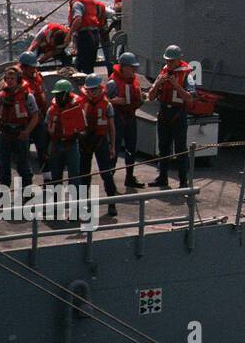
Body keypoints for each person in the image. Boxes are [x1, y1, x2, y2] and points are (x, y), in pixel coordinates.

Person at [145, 44, 195, 189]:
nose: (169, 64)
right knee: (163, 148)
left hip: (178, 114)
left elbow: (190, 98)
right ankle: (162, 177)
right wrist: (158, 83)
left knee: (180, 149)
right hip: (164, 114)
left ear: (179, 59)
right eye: (167, 61)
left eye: (172, 61)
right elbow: (151, 97)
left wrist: (176, 85)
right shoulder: (163, 73)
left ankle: (183, 181)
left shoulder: (187, 76)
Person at [78, 74, 119, 215]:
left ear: (100, 88)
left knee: (106, 173)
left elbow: (112, 127)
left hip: (101, 141)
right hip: (85, 141)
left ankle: (111, 203)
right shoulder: (81, 103)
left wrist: (112, 146)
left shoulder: (107, 105)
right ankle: (83, 203)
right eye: (89, 89)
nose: (92, 92)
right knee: (84, 174)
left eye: (94, 89)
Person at [0, 65, 39, 194]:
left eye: (12, 78)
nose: (9, 81)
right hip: (5, 134)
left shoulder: (27, 96)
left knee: (23, 165)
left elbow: (35, 116)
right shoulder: (1, 95)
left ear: (18, 79)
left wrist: (26, 132)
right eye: (7, 78)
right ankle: (4, 193)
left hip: (20, 134)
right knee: (4, 165)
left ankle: (27, 192)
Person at [106, 52, 145, 188]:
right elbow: (104, 102)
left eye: (135, 67)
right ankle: (110, 179)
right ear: (123, 67)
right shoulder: (112, 83)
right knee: (114, 149)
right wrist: (115, 101)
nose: (134, 70)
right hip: (117, 119)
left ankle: (129, 177)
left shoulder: (134, 80)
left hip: (131, 118)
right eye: (131, 67)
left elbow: (137, 99)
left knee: (131, 148)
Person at [44, 79, 87, 188]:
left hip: (71, 145)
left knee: (75, 176)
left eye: (60, 94)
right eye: (56, 94)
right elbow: (46, 128)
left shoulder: (77, 109)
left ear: (67, 94)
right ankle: (56, 203)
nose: (57, 97)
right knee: (56, 176)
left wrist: (76, 134)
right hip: (56, 145)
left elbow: (84, 130)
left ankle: (76, 203)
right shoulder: (51, 110)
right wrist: (46, 149)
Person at [16, 52, 50, 175]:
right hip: (25, 121)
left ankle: (48, 178)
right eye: (31, 67)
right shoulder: (18, 82)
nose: (34, 69)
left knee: (43, 148)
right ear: (24, 67)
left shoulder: (38, 77)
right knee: (22, 152)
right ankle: (26, 182)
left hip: (39, 118)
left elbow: (43, 95)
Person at [67, 0, 105, 74]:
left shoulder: (77, 3)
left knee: (82, 63)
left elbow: (78, 19)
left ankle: (81, 84)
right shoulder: (91, 0)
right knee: (90, 63)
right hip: (95, 35)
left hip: (85, 35)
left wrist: (69, 34)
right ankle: (90, 83)